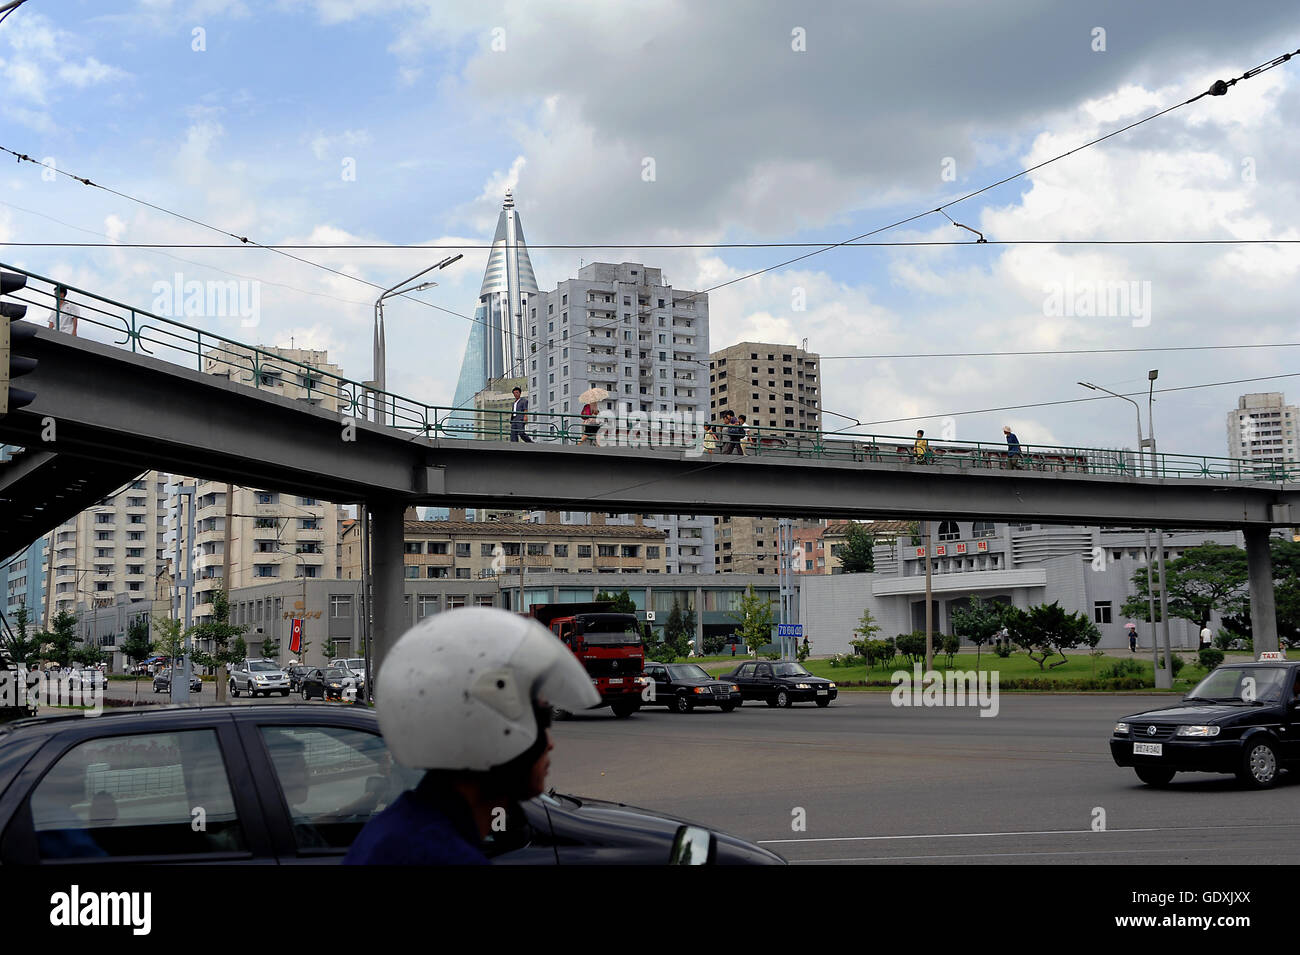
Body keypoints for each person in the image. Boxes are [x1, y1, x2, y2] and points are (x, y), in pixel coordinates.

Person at [344, 608, 599, 865]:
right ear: (486, 732)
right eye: (540, 722)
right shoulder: (439, 857)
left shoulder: (405, 830)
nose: (551, 743)